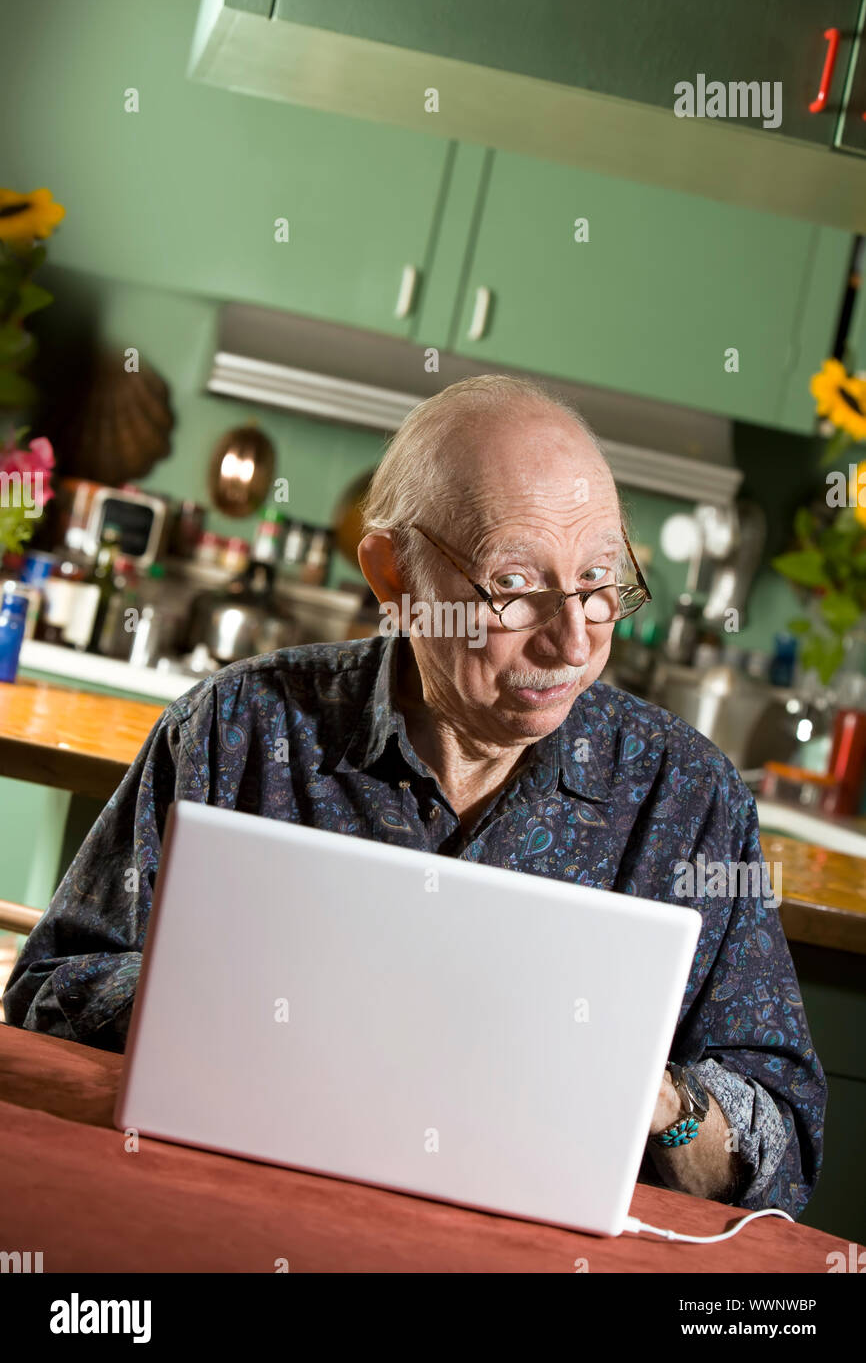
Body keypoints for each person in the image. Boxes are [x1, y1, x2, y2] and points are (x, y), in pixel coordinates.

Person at [3, 374, 825, 1218]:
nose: (574, 637)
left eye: (600, 580)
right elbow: (46, 996)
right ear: (393, 576)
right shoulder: (235, 730)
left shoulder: (689, 798)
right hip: (237, 1213)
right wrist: (229, 998)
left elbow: (786, 1148)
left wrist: (663, 1104)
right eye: (515, 586)